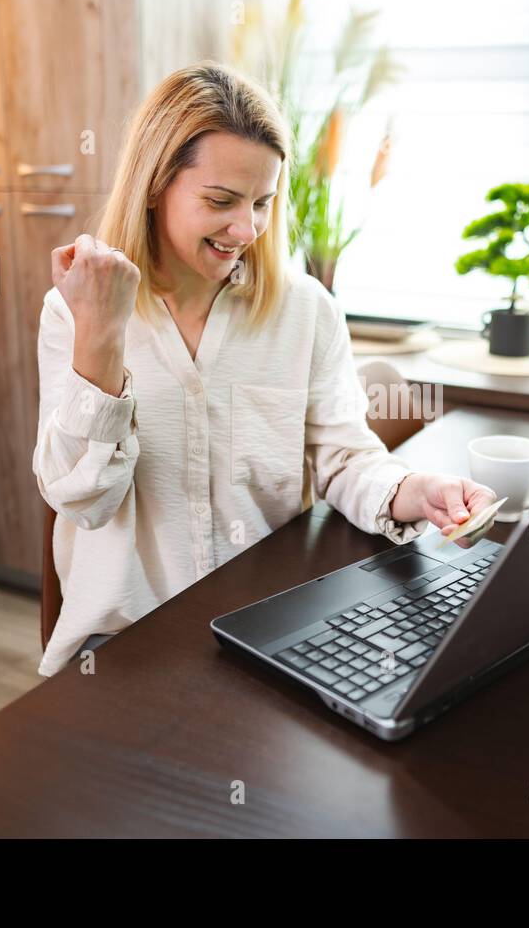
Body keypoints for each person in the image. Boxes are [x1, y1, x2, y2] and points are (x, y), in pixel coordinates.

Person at [33, 61, 495, 676]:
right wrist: (101, 333)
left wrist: (419, 492)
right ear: (153, 184)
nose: (246, 228)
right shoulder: (75, 311)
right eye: (221, 201)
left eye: (262, 202)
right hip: (125, 640)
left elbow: (345, 458)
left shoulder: (304, 310)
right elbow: (83, 501)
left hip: (269, 630)